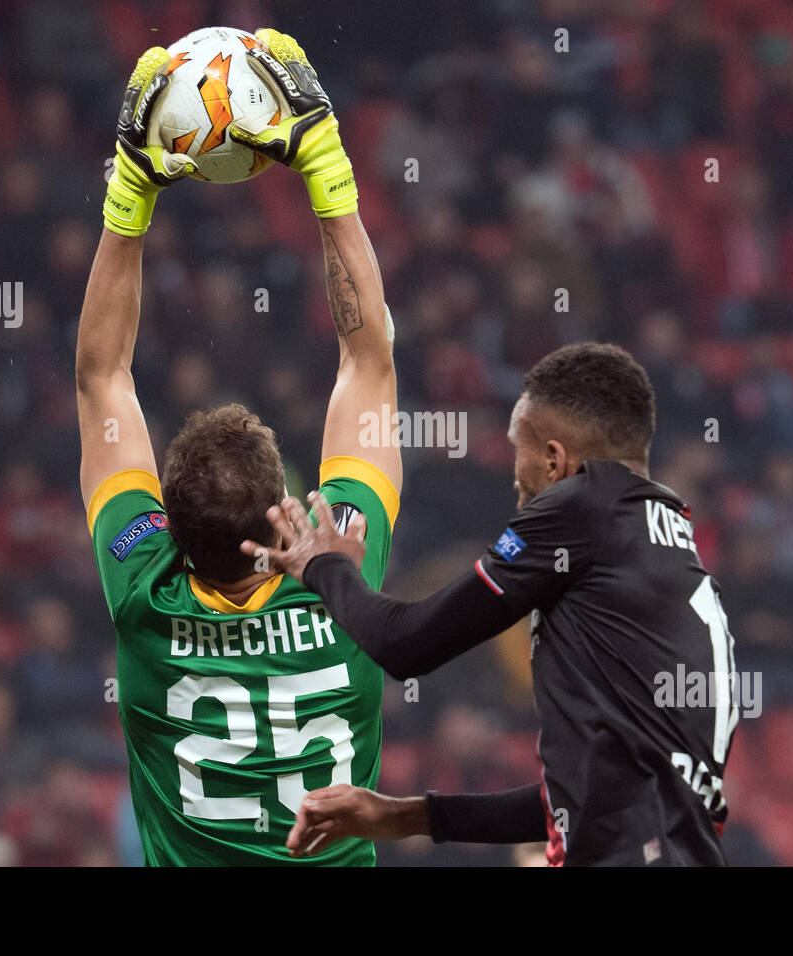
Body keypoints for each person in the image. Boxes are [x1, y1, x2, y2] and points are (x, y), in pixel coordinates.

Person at [76, 30, 400, 865]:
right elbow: (369, 363)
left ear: (168, 534)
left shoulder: (144, 594)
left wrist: (132, 188)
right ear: (287, 512)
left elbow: (103, 378)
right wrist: (324, 164)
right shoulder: (345, 573)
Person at [245, 343, 739, 865]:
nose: (514, 476)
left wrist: (326, 564)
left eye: (516, 450)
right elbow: (577, 802)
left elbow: (407, 645)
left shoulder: (582, 506)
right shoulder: (673, 551)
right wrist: (406, 816)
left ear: (554, 459)